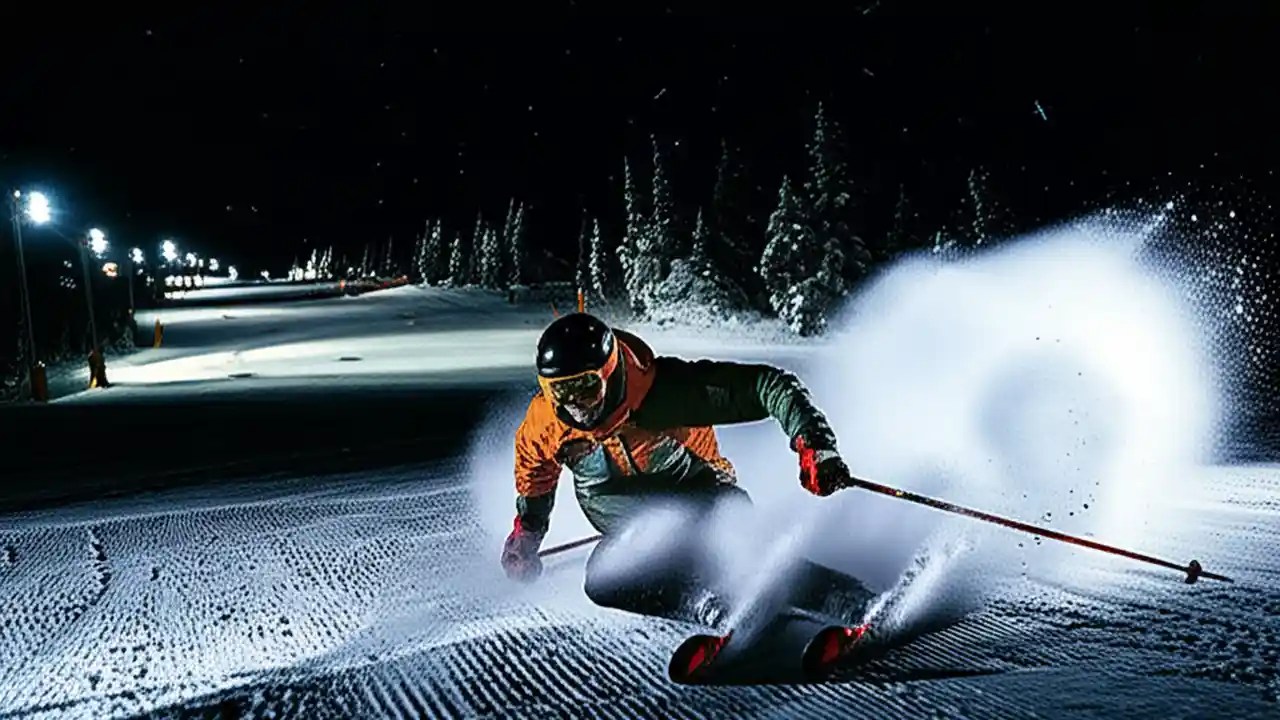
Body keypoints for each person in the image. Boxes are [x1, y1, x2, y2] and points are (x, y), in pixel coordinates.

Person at [501, 312, 868, 627]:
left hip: (706, 504)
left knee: (735, 552)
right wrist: (525, 539)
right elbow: (535, 477)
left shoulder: (666, 392)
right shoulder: (546, 424)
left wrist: (815, 445)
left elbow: (767, 385)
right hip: (636, 534)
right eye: (560, 391)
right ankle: (707, 606)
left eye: (585, 387)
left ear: (609, 372)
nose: (576, 405)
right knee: (602, 580)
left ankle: (849, 602)